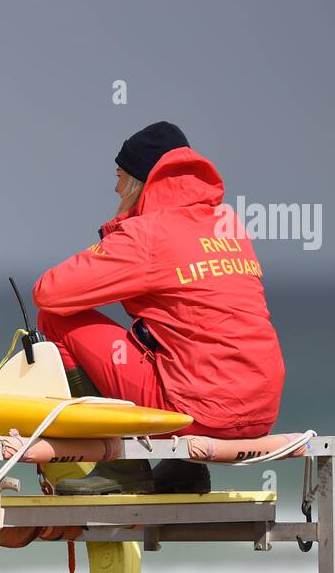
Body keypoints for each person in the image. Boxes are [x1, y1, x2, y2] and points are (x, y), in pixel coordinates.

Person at [29, 121, 285, 494]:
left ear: (139, 181)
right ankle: (185, 471)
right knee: (176, 342)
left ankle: (121, 469)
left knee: (53, 318)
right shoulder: (228, 225)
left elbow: (49, 291)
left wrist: (119, 231)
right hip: (261, 413)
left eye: (120, 176)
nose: (115, 188)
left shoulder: (149, 234)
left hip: (199, 416)